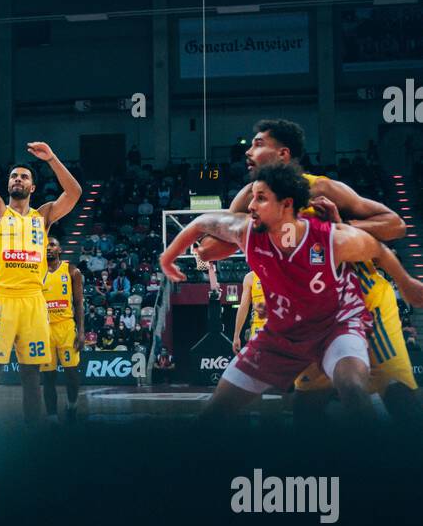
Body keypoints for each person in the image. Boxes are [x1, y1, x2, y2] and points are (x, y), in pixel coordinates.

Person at [160, 163, 423, 419]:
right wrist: (168, 258)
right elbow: (201, 223)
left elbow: (378, 249)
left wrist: (406, 283)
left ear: (286, 204)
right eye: (253, 197)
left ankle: (378, 446)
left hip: (337, 325)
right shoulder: (247, 231)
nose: (250, 206)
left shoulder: (329, 238)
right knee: (215, 412)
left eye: (261, 198)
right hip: (284, 333)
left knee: (352, 387)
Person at [0, 116, 82, 424]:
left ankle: (32, 439)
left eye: (24, 177)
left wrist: (51, 158)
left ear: (32, 186)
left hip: (34, 302)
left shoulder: (43, 216)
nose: (18, 180)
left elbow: (75, 193)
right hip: (2, 299)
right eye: (14, 176)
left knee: (31, 378)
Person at [40, 235, 84, 422]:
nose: (48, 248)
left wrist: (81, 332)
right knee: (48, 377)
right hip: (44, 329)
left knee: (72, 375)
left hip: (66, 327)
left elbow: (79, 303)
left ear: (60, 250)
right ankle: (52, 417)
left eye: (52, 245)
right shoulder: (36, 272)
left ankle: (72, 406)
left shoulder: (72, 271)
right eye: (45, 245)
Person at [233, 270, 267, 353]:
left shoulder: (283, 273)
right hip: (258, 331)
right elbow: (243, 307)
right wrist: (236, 335)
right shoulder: (250, 277)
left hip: (280, 332)